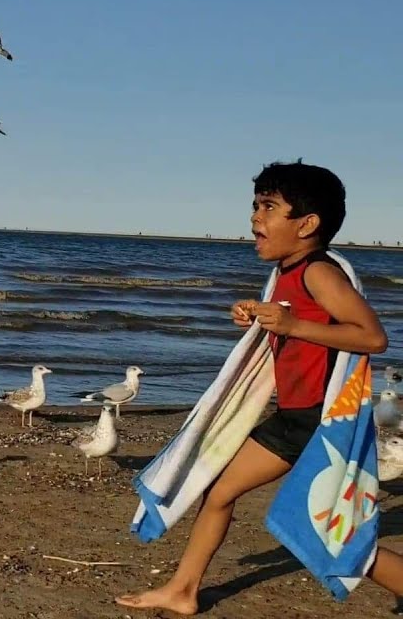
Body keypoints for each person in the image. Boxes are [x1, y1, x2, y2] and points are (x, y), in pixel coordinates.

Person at [116, 160, 395, 614]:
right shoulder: (287, 271)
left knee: (327, 534)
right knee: (220, 491)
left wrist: (292, 324)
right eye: (255, 206)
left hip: (317, 422)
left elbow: (372, 337)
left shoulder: (319, 272)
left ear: (306, 224)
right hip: (293, 417)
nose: (254, 218)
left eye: (268, 207)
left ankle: (184, 589)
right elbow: (295, 321)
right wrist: (259, 314)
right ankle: (183, 590)